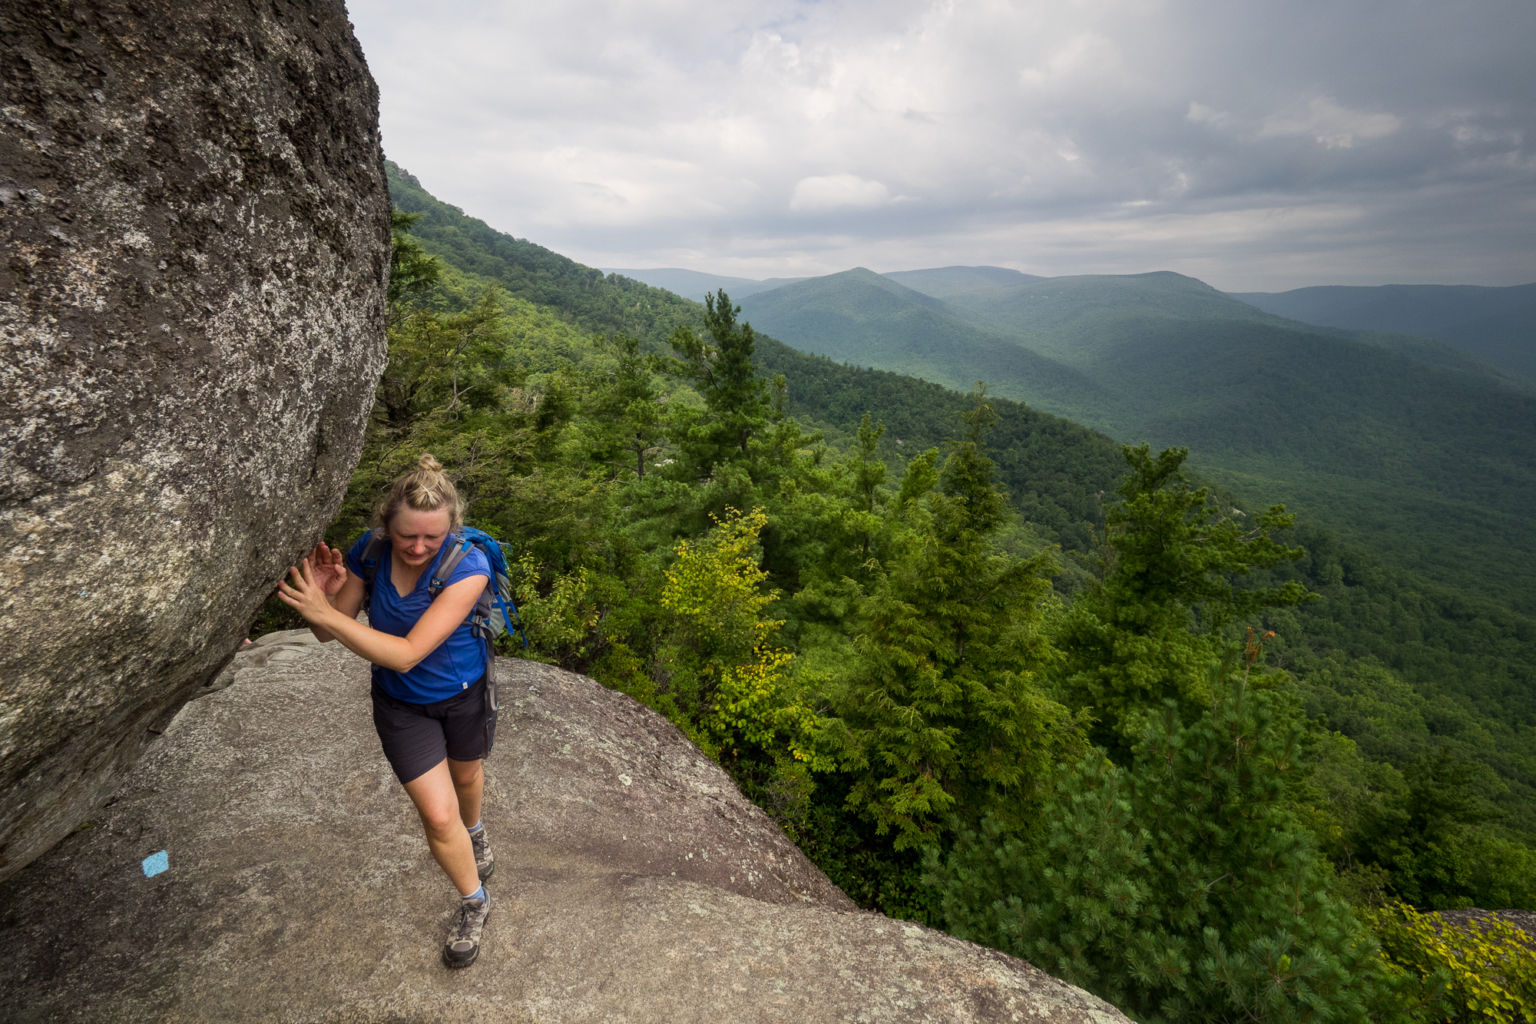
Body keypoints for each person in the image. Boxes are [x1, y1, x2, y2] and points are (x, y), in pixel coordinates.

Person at [275, 454, 496, 969]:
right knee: (437, 814)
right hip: (401, 705)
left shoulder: (469, 567)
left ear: (451, 531)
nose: (418, 548)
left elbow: (407, 652)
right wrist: (325, 601)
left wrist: (326, 614)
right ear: (385, 526)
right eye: (406, 537)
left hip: (463, 694)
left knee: (466, 777)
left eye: (432, 538)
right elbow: (326, 632)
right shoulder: (369, 551)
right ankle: (474, 901)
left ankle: (476, 831)